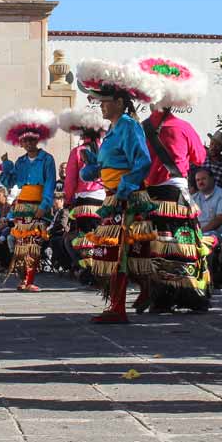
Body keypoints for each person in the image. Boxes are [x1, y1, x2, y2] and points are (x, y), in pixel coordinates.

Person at [76, 58, 157, 323]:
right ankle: (140, 294)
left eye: (105, 101)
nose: (101, 105)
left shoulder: (129, 126)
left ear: (120, 103)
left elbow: (142, 161)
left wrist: (125, 187)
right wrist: (92, 167)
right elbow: (107, 165)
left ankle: (119, 308)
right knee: (116, 251)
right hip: (112, 197)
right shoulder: (111, 130)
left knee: (120, 251)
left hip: (126, 198)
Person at [130, 56, 212, 313]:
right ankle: (189, 294)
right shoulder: (184, 127)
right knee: (183, 244)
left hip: (150, 195)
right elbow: (200, 157)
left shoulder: (141, 128)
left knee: (156, 246)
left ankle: (160, 296)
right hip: (176, 194)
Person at [0, 108, 58, 292]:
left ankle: (30, 279)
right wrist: (6, 167)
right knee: (21, 245)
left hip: (38, 205)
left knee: (34, 245)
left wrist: (44, 205)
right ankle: (24, 279)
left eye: (32, 139)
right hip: (22, 207)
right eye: (25, 140)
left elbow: (50, 184)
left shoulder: (47, 159)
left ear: (38, 139)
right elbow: (10, 182)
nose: (29, 143)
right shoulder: (20, 161)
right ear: (20, 142)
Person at [59, 105, 109, 280]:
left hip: (84, 201)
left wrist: (68, 199)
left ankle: (89, 271)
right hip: (104, 200)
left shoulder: (78, 152)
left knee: (83, 238)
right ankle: (102, 268)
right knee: (101, 236)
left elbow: (71, 180)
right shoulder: (106, 149)